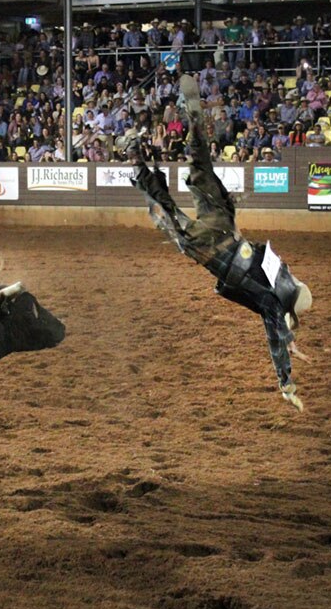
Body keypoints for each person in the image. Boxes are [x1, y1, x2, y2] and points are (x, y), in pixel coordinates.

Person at [124, 75, 313, 411]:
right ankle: (138, 164)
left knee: (200, 167)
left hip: (224, 227)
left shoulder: (278, 274)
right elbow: (276, 342)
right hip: (211, 250)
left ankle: (189, 123)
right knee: (170, 216)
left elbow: (280, 329)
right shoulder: (272, 303)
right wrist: (286, 382)